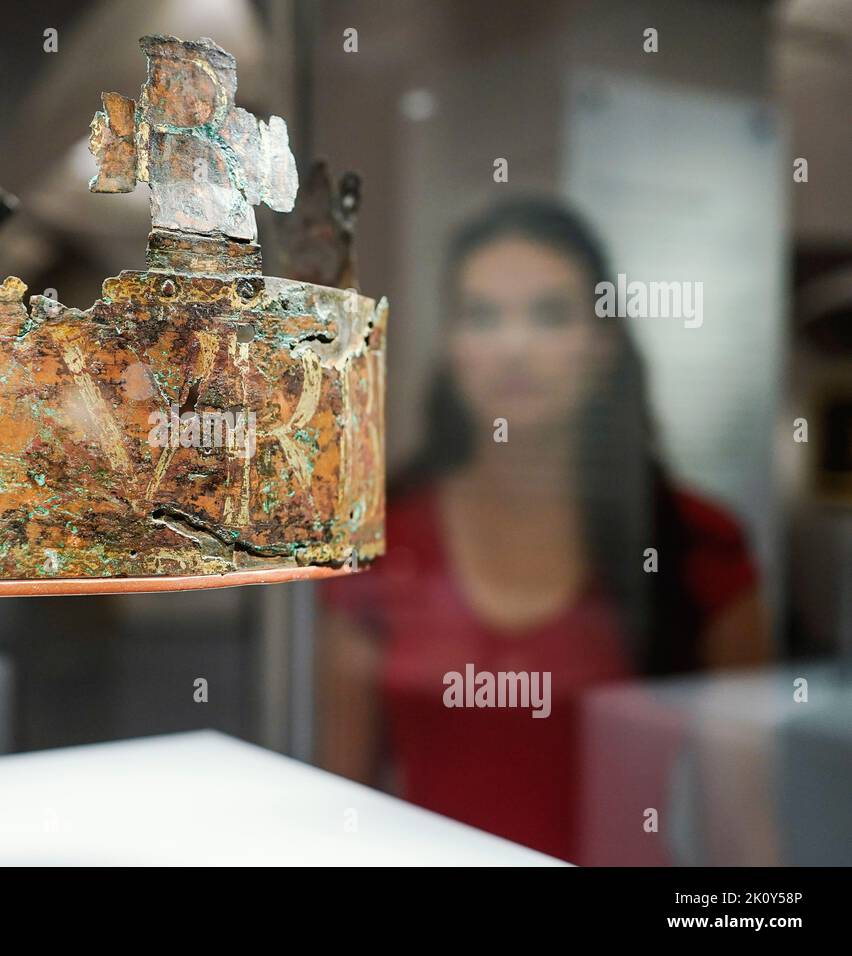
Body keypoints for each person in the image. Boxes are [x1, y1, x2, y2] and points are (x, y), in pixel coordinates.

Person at [318, 197, 769, 863]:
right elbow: (342, 807)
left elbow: (745, 835)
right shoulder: (379, 535)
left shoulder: (694, 543)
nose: (515, 347)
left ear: (602, 342)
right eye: (483, 316)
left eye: (550, 315)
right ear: (452, 346)